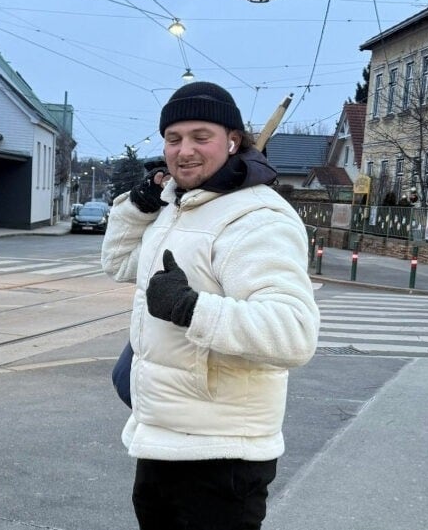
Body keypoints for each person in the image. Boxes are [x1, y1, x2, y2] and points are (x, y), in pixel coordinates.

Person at [101, 81, 320, 530]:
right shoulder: (182, 207)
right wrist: (138, 208)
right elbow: (121, 264)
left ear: (233, 140)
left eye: (202, 137)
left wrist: (189, 308)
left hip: (222, 455)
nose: (184, 151)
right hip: (162, 442)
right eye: (174, 138)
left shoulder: (255, 218)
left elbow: (293, 333)